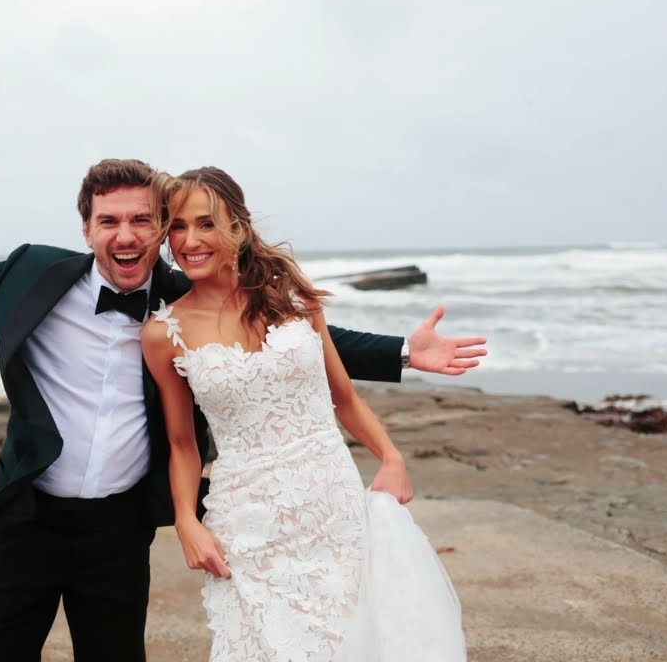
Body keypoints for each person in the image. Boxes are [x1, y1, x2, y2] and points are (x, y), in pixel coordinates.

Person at [0, 159, 485, 662]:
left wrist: (403, 353)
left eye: (144, 220)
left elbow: (283, 331)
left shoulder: (180, 303)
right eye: (110, 221)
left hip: (117, 529)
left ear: (161, 231)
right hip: (27, 521)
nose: (128, 233)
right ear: (86, 230)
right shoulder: (29, 277)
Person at [142, 167, 466, 662]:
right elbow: (183, 443)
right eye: (178, 227)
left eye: (206, 223)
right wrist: (187, 520)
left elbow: (343, 397)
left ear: (239, 226)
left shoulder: (292, 296)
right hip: (247, 523)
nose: (190, 241)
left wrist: (391, 457)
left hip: (333, 505)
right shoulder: (164, 333)